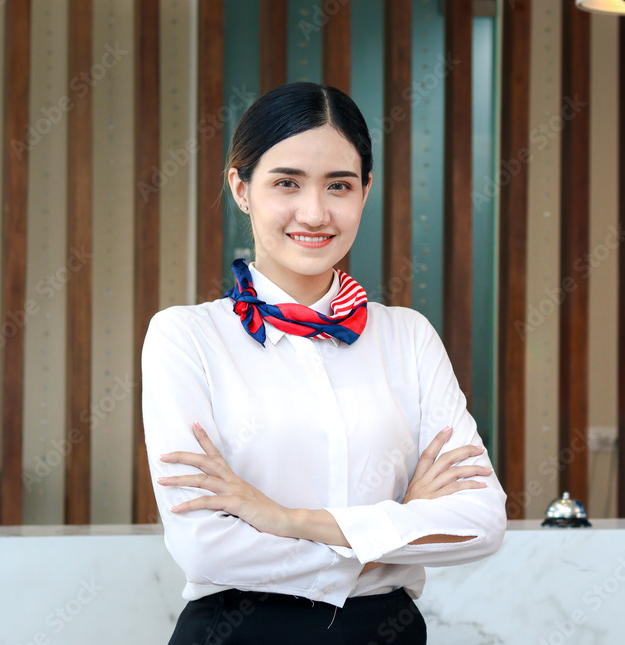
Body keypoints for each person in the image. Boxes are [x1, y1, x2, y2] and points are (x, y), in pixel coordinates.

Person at [141, 82, 507, 645]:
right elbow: (203, 545)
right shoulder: (186, 336)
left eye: (339, 185)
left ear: (365, 191)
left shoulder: (407, 336)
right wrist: (393, 529)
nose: (314, 213)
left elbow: (481, 523)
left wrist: (289, 520)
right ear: (240, 188)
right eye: (286, 182)